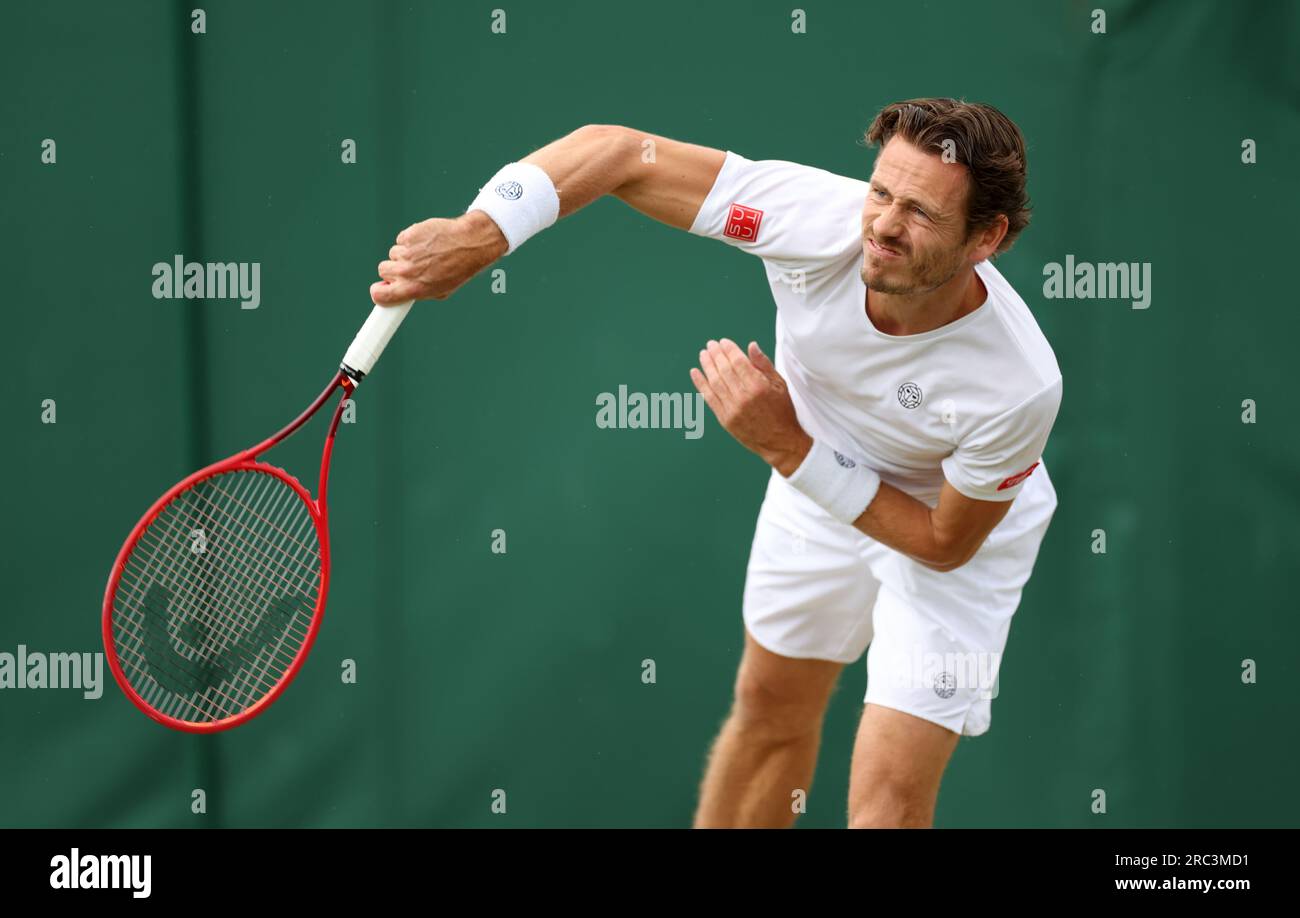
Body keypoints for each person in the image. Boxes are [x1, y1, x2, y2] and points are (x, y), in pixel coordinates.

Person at [371, 98, 1063, 828]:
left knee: (887, 804)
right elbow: (614, 152)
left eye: (921, 212)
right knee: (768, 713)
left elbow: (944, 543)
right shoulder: (813, 219)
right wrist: (481, 235)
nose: (884, 225)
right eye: (881, 192)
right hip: (817, 490)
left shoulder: (1017, 385)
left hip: (948, 534)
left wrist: (789, 448)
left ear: (985, 237)